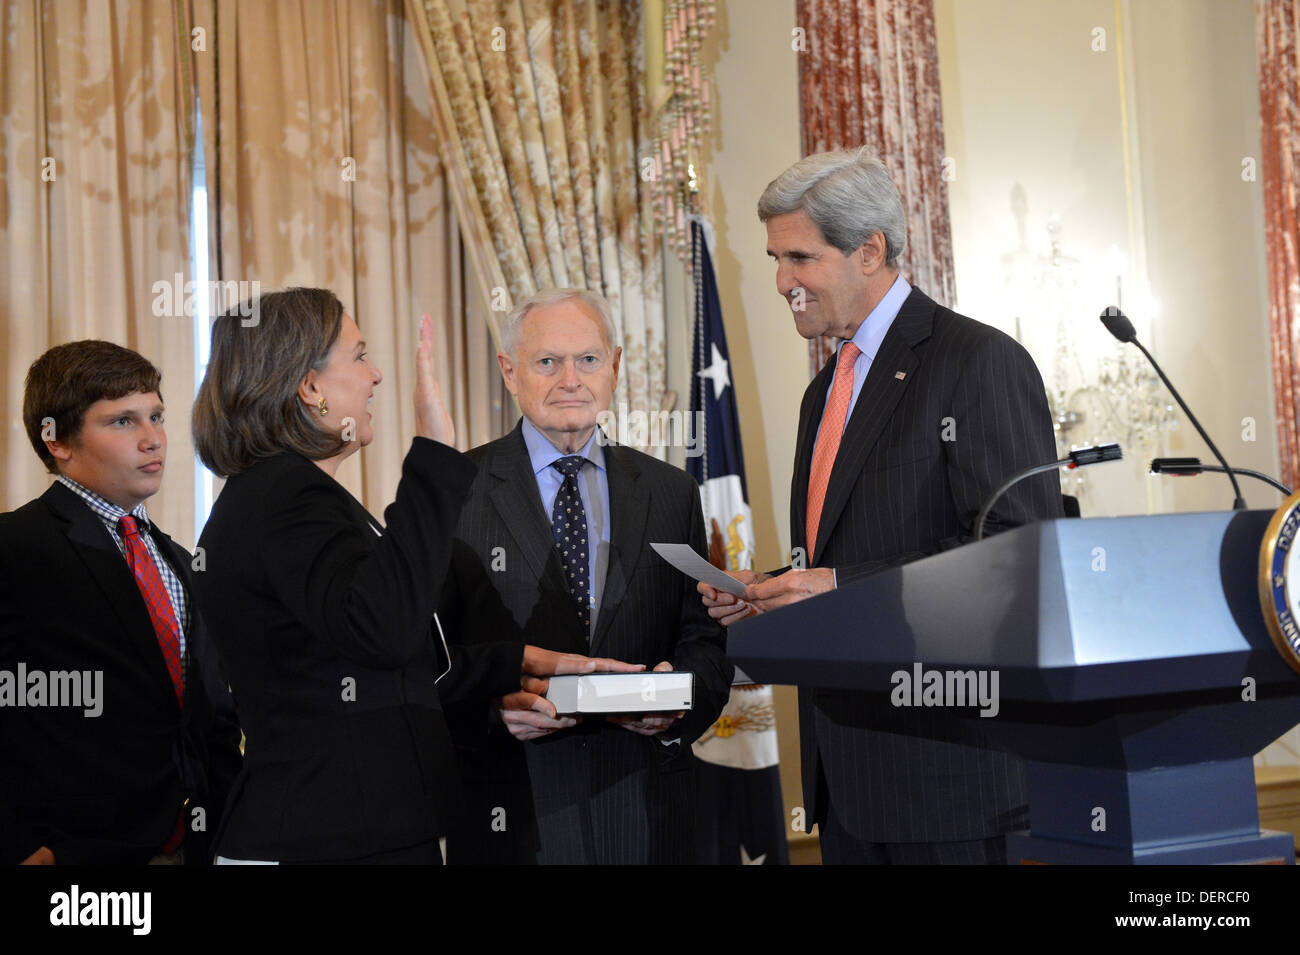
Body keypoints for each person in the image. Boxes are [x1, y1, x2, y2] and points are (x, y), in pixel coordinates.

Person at [700, 148, 1063, 864]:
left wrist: (837, 585)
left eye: (799, 258)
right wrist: (771, 591)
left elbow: (1017, 560)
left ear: (869, 251)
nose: (782, 282)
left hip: (953, 780)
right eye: (775, 258)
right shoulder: (824, 390)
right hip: (845, 785)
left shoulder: (977, 362)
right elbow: (847, 551)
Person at [191, 287, 632, 864]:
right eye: (358, 356)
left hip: (355, 834)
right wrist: (431, 453)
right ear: (310, 387)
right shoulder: (285, 497)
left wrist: (515, 660)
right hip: (319, 838)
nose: (375, 375)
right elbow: (385, 630)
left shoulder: (294, 495)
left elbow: (367, 655)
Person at [441, 288, 733, 865]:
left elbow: (704, 641)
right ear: (510, 372)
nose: (570, 379)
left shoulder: (671, 492)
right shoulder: (453, 490)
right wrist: (491, 709)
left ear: (616, 367)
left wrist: (677, 702)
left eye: (589, 360)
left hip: (647, 809)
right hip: (515, 811)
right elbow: (426, 659)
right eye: (547, 361)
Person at [0, 341, 241, 865]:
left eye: (156, 416)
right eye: (123, 422)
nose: (153, 439)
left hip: (201, 844)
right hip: (78, 856)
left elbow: (207, 712)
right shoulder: (16, 545)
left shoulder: (178, 558)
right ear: (57, 440)